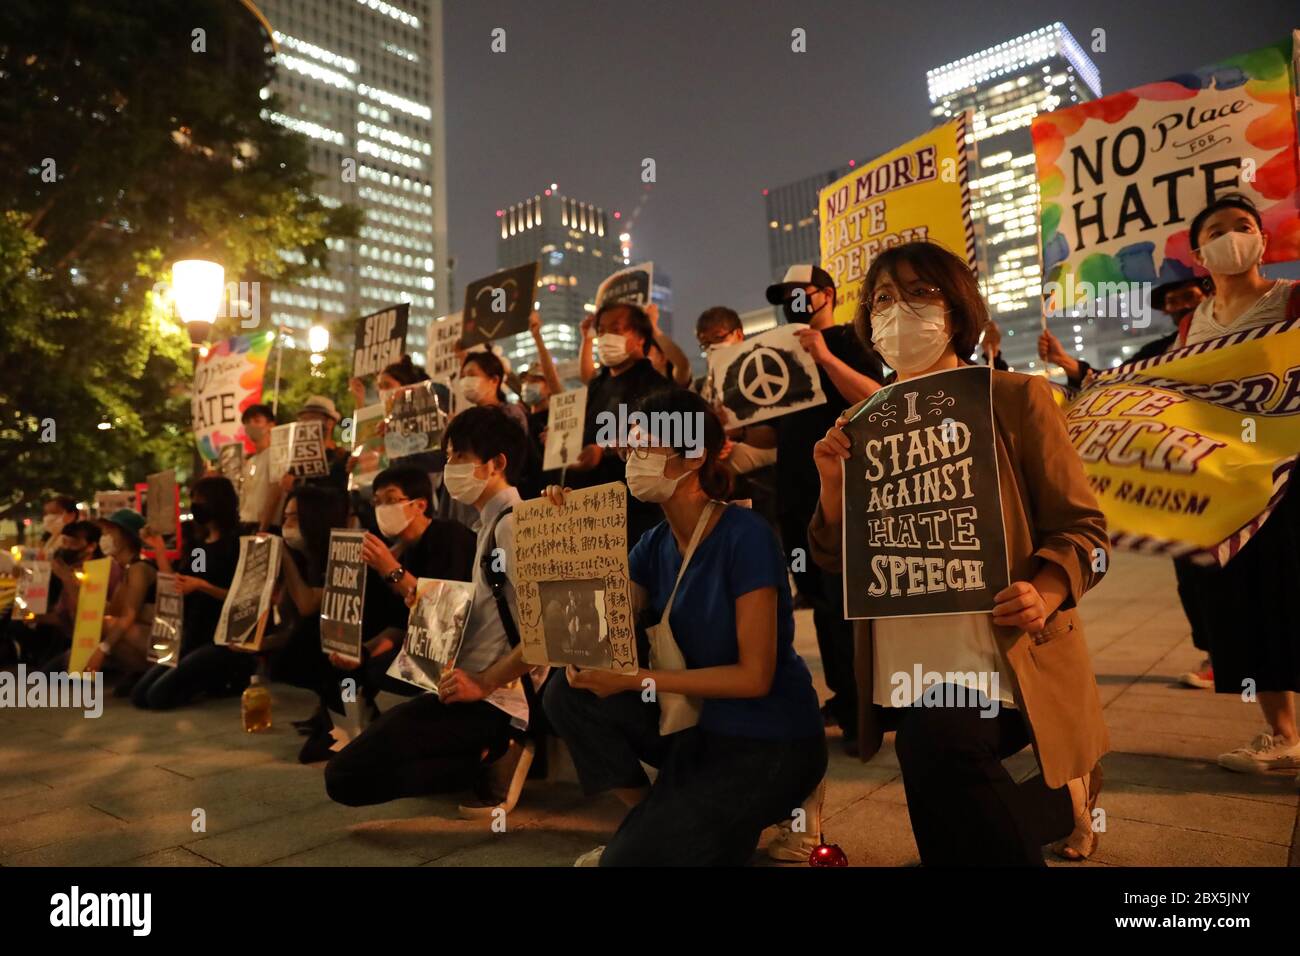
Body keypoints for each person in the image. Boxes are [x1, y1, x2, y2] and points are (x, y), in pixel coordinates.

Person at [809, 240, 1110, 865]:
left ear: (958, 310)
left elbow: (1085, 531)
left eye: (921, 294)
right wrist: (831, 482)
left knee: (938, 745)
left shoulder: (1017, 398)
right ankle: (1059, 804)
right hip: (905, 657)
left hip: (1001, 654)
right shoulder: (864, 421)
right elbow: (835, 561)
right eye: (883, 300)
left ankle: (1058, 802)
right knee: (939, 797)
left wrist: (1046, 591)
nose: (899, 312)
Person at [544, 388, 827, 866]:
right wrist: (567, 532)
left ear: (693, 455)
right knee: (565, 693)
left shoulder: (747, 538)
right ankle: (653, 820)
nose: (632, 457)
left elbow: (754, 677)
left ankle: (784, 798)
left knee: (631, 862)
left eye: (645, 444)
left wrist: (637, 681)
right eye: (629, 444)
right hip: (695, 729)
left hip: (768, 739)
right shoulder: (653, 544)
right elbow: (597, 626)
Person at [323, 406, 542, 810]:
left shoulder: (514, 525)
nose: (450, 467)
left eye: (459, 457)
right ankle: (477, 758)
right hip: (458, 687)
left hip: (495, 700)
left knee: (346, 777)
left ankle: (500, 750)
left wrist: (487, 682)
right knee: (345, 774)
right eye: (447, 457)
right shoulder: (487, 527)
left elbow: (547, 633)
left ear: (496, 464)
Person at [1165, 194, 1300, 778]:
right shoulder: (1195, 323)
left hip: (1289, 476)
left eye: (1243, 226)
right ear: (1199, 254)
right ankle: (1282, 734)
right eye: (1216, 231)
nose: (1231, 236)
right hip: (1227, 484)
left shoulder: (1291, 299)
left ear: (1262, 242)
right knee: (1248, 607)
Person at [1039, 276, 1218, 689]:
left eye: (1186, 296)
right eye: (1170, 300)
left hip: (1238, 480)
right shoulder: (1159, 353)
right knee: (1195, 576)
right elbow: (1113, 384)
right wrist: (1067, 363)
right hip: (1183, 485)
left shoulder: (1240, 338)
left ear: (1206, 293)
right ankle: (1217, 653)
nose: (1178, 304)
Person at [765, 264, 884, 746]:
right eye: (786, 296)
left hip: (841, 496)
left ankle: (865, 713)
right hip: (794, 498)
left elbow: (878, 399)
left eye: (802, 293)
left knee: (843, 607)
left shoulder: (851, 340)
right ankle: (843, 697)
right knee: (818, 603)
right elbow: (771, 425)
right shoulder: (780, 355)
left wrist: (825, 356)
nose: (794, 302)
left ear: (827, 295)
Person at [296, 464, 478, 762]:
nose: (382, 508)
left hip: (458, 648)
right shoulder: (401, 550)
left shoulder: (449, 536)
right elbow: (399, 626)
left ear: (419, 504)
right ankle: (346, 729)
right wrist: (362, 651)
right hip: (420, 643)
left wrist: (390, 569)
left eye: (391, 499)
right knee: (344, 660)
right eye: (377, 501)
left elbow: (445, 609)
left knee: (381, 670)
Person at [133, 477, 245, 710]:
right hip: (194, 636)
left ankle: (215, 681)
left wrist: (202, 586)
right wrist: (159, 549)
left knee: (157, 697)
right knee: (140, 695)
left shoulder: (237, 543)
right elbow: (179, 584)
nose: (196, 507)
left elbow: (241, 597)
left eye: (200, 502)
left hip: (222, 640)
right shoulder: (200, 546)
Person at [569, 301, 672, 547]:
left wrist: (602, 450)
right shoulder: (599, 383)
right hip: (589, 510)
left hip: (632, 513)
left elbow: (656, 439)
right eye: (601, 330)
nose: (605, 337)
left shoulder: (654, 385)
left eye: (615, 328)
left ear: (639, 337)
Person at [694, 305, 779, 528]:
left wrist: (738, 435)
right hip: (721, 486)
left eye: (718, 338)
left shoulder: (762, 372)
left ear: (738, 334)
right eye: (705, 344)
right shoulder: (704, 384)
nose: (712, 347)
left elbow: (776, 435)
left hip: (761, 484)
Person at [82, 509, 157, 693]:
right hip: (144, 635)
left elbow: (127, 616)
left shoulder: (139, 569)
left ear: (126, 537)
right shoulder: (125, 569)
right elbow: (113, 609)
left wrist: (103, 650)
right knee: (97, 624)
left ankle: (145, 671)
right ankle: (136, 672)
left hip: (158, 643)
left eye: (109, 532)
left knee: (105, 625)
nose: (104, 538)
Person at [238, 403, 276, 532]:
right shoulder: (250, 461)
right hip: (246, 524)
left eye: (257, 421)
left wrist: (263, 528)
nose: (251, 425)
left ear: (271, 425)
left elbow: (275, 492)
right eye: (247, 422)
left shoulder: (275, 455)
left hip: (265, 527)